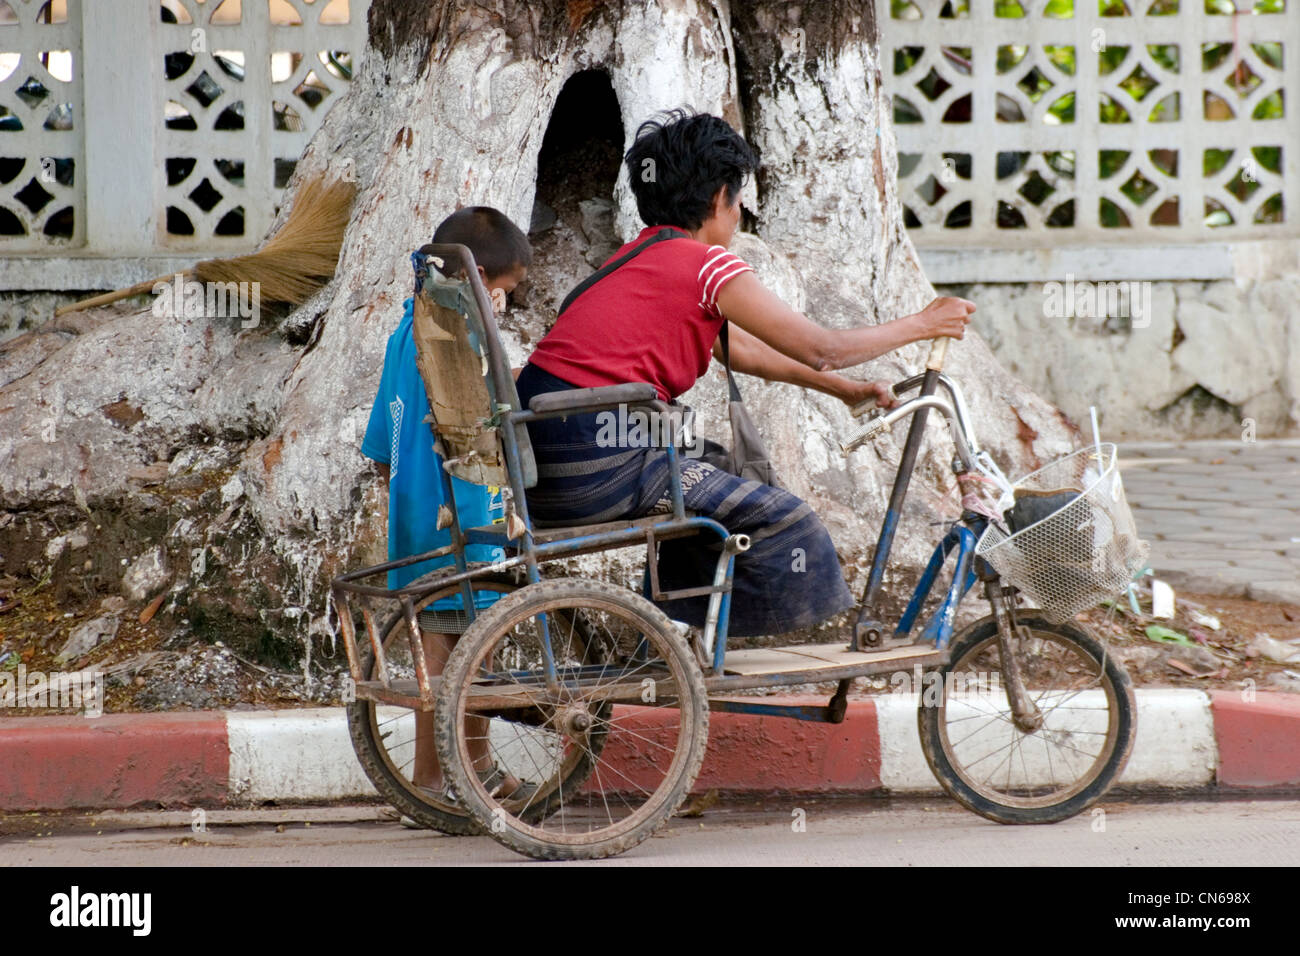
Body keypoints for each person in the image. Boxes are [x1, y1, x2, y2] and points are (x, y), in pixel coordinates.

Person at [513, 108, 974, 640]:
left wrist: (844, 390)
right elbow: (822, 348)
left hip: (547, 472)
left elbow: (736, 351)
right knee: (788, 520)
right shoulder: (707, 265)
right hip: (602, 467)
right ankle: (717, 639)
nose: (737, 220)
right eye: (738, 204)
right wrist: (923, 323)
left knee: (721, 465)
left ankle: (683, 629)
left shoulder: (632, 261)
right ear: (718, 199)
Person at [361, 206, 531, 808]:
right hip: (462, 521)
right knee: (457, 656)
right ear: (478, 279)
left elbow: (381, 447)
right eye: (504, 291)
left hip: (415, 521)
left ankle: (467, 773)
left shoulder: (405, 332)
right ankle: (443, 779)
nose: (505, 304)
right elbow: (481, 439)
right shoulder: (461, 340)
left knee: (455, 655)